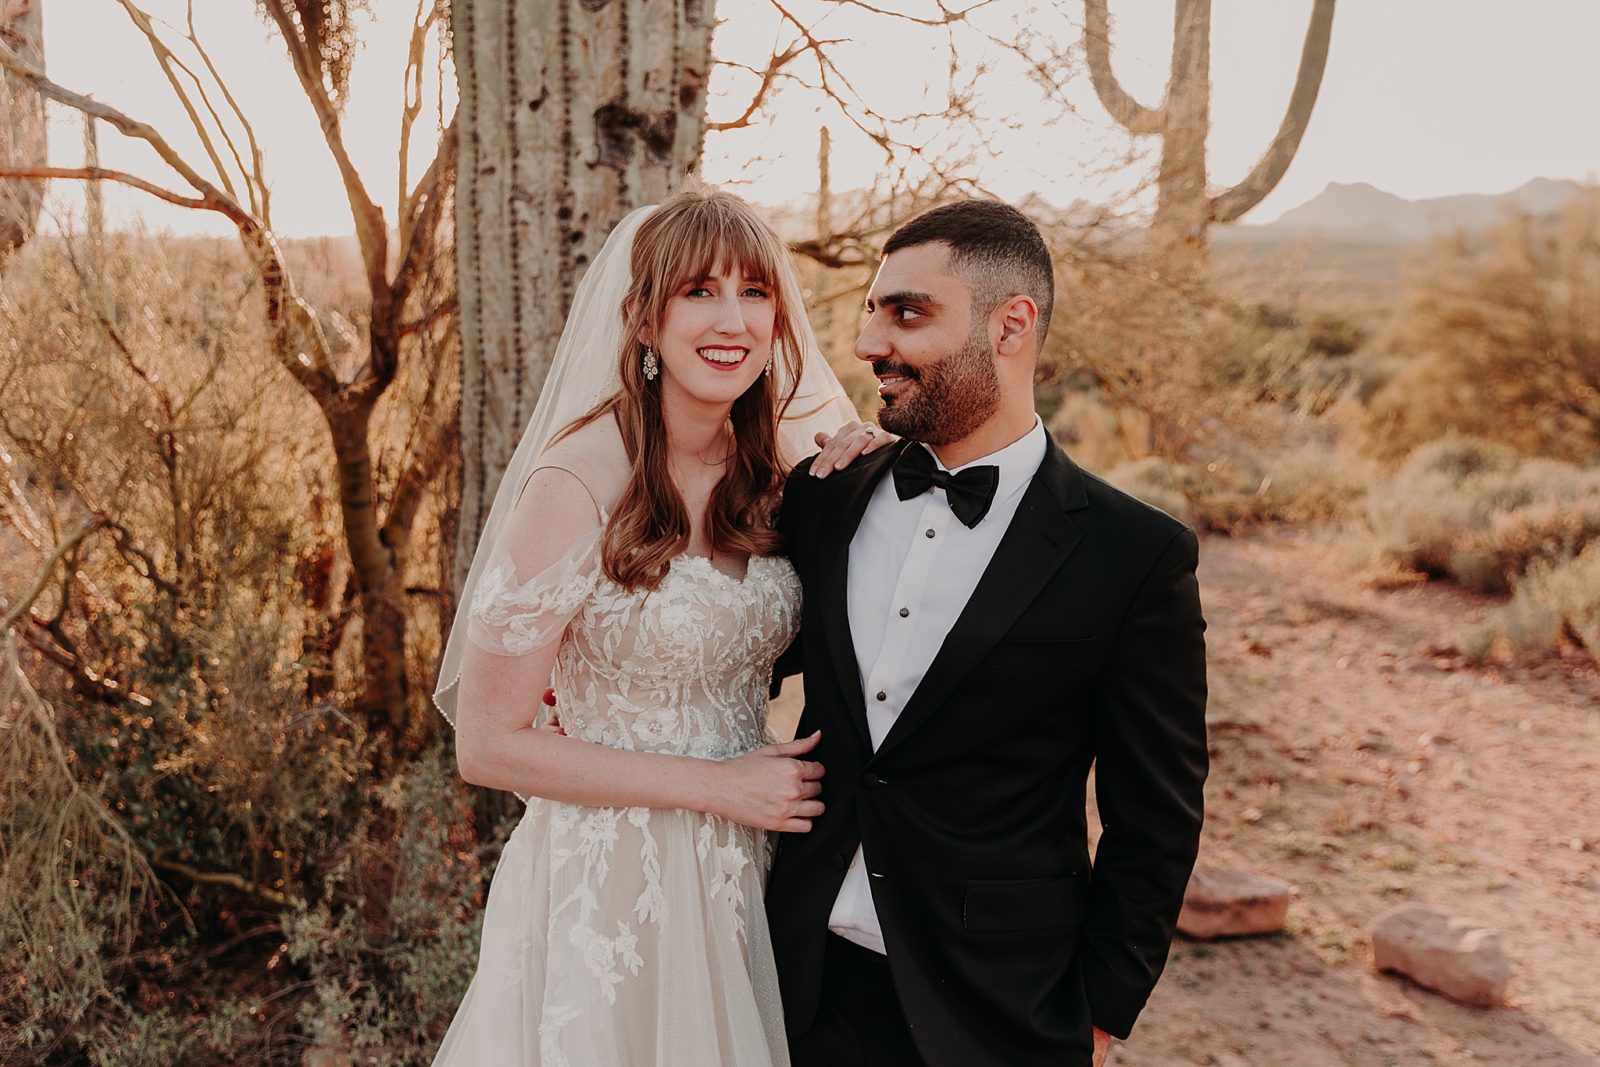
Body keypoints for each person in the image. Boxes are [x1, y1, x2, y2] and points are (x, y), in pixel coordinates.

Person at [430, 183, 882, 1066]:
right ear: (642, 319)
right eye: (698, 292)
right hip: (606, 889)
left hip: (741, 871)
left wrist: (860, 475)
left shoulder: (780, 468)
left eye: (756, 292)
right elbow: (485, 745)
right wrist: (715, 786)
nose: (733, 319)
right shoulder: (576, 483)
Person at [766, 199, 1210, 1067]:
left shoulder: (1136, 555)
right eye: (871, 310)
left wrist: (1101, 1014)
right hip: (793, 981)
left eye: (907, 313)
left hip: (997, 1011)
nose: (867, 346)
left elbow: (1156, 815)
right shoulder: (828, 492)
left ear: (1012, 326)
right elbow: (735, 657)